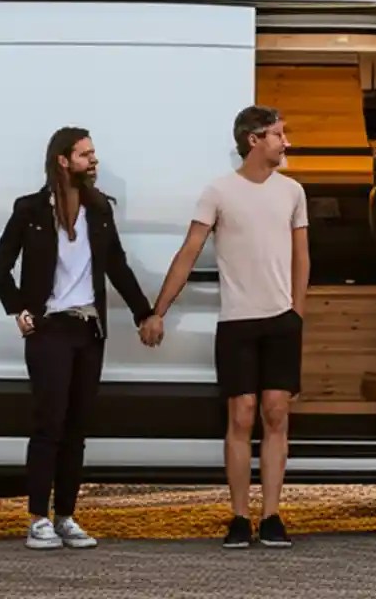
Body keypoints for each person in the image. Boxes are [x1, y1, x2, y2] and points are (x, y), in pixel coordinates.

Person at [144, 104, 309, 549]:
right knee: (242, 415)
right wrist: (158, 309)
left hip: (281, 322)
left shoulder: (293, 191)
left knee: (276, 413)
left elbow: (301, 258)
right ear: (253, 140)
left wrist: (297, 312)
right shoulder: (218, 192)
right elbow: (188, 252)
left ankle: (271, 515)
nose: (285, 142)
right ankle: (239, 517)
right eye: (278, 134)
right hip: (237, 321)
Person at [0, 126, 161, 550]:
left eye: (93, 153)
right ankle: (37, 520)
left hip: (89, 330)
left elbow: (117, 266)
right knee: (50, 423)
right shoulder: (30, 210)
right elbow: (0, 266)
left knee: (77, 428)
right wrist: (19, 309)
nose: (93, 160)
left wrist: (145, 313)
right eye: (85, 154)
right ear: (63, 160)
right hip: (50, 329)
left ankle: (66, 516)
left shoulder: (99, 210)